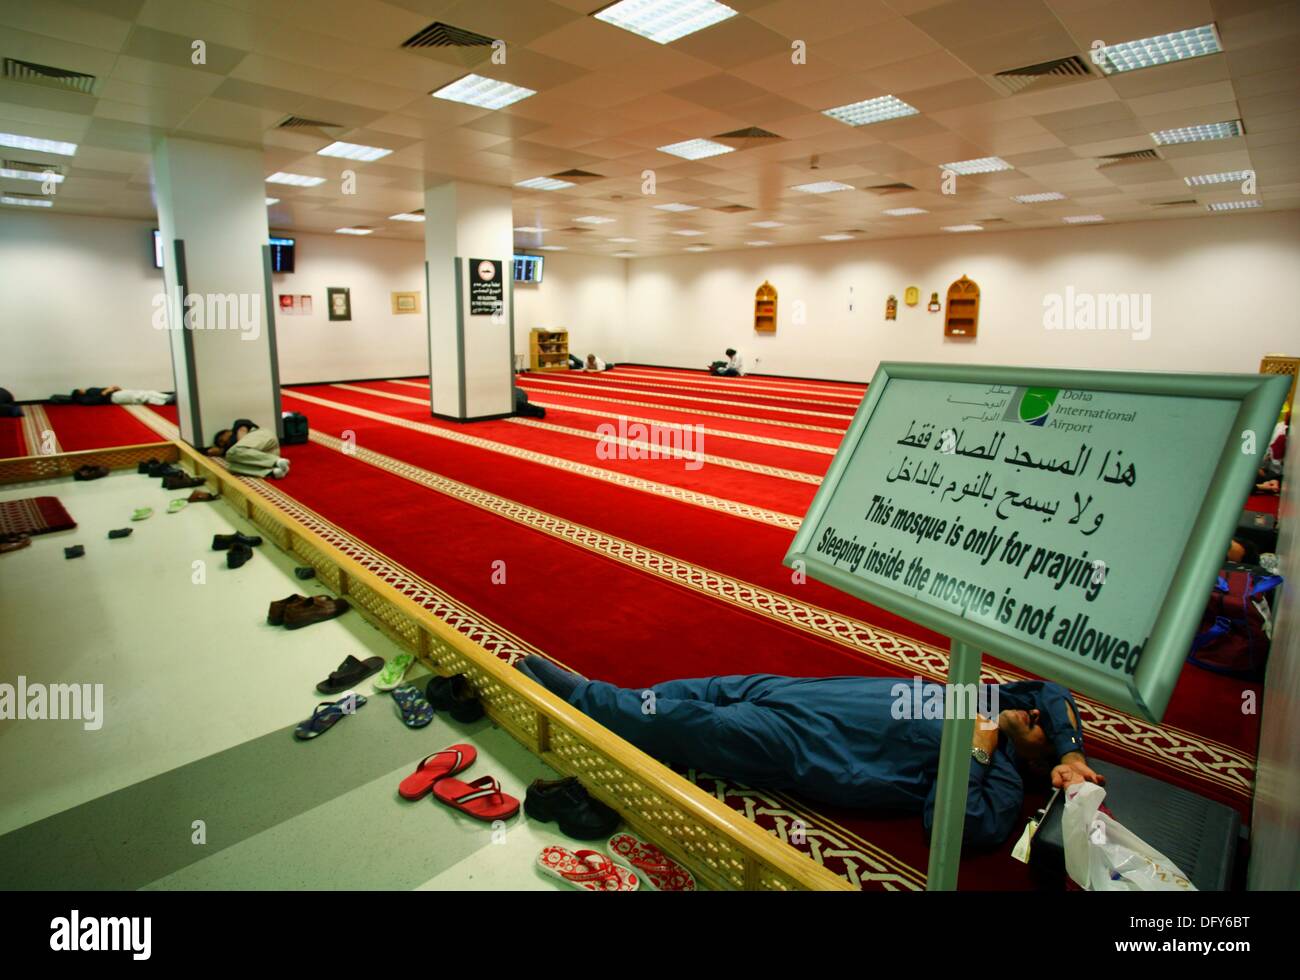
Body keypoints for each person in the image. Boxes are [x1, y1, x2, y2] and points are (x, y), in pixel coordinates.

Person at [515, 657, 1101, 847]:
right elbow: (1051, 692)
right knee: (691, 693)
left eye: (1042, 732)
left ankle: (583, 699)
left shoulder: (995, 766)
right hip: (798, 693)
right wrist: (1070, 749)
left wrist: (977, 751)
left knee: (688, 723)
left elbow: (959, 830)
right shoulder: (991, 699)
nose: (1037, 717)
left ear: (1030, 761)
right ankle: (616, 701)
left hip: (807, 748)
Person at [205, 418, 289, 478]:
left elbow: (242, 432)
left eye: (221, 440)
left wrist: (224, 451)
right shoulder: (233, 451)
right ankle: (272, 472)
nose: (223, 443)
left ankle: (276, 461)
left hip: (262, 437)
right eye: (220, 444)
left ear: (227, 432)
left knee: (231, 453)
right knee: (231, 467)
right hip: (266, 453)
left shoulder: (238, 425)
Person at [62, 386, 174, 406]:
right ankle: (165, 401)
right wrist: (108, 390)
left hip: (115, 393)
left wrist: (114, 388)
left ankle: (165, 397)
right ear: (79, 393)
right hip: (113, 398)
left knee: (146, 392)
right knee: (141, 396)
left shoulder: (88, 392)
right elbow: (99, 398)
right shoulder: (86, 399)